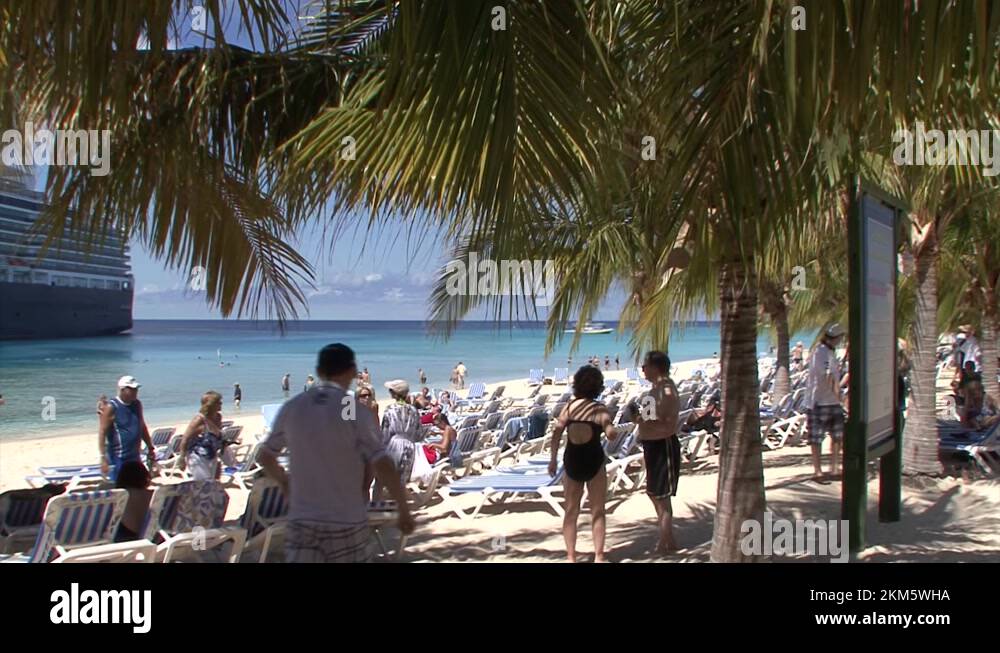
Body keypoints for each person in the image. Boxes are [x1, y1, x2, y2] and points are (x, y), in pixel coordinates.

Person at [258, 344, 414, 563]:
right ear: (352, 371)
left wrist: (284, 482)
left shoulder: (294, 405)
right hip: (346, 520)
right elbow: (382, 462)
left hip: (303, 522)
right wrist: (403, 508)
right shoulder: (352, 409)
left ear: (320, 372)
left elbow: (264, 456)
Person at [548, 366, 617, 563]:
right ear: (598, 386)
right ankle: (599, 556)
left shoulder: (569, 407)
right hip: (594, 460)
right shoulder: (598, 409)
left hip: (573, 460)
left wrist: (553, 459)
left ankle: (571, 556)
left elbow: (556, 434)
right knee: (598, 510)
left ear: (577, 384)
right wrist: (612, 432)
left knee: (571, 511)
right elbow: (610, 431)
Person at [634, 351, 681, 554]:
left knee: (661, 495)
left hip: (663, 445)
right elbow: (648, 419)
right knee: (654, 493)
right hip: (651, 445)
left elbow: (664, 422)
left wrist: (639, 417)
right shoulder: (655, 391)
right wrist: (639, 417)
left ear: (655, 367)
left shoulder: (666, 391)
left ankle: (665, 541)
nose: (643, 369)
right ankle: (668, 539)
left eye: (645, 365)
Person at [98, 376, 156, 483]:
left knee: (138, 485)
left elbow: (142, 426)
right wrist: (102, 457)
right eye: (132, 389)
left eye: (136, 389)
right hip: (119, 456)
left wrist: (150, 447)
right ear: (122, 390)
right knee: (121, 486)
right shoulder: (112, 407)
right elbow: (102, 432)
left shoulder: (137, 404)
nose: (135, 392)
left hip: (135, 454)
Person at [806, 324, 846, 481]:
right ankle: (818, 471)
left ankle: (835, 467)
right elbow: (828, 377)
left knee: (837, 436)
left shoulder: (831, 352)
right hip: (819, 402)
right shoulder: (820, 352)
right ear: (834, 338)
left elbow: (834, 376)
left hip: (832, 401)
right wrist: (840, 398)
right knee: (816, 438)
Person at [381, 379, 423, 484]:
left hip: (394, 445)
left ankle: (377, 499)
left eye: (391, 390)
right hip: (410, 445)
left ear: (394, 393)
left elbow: (385, 433)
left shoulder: (390, 409)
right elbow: (419, 434)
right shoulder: (414, 410)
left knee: (381, 477)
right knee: (402, 478)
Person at [178, 391, 226, 481]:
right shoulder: (199, 420)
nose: (221, 404)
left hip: (212, 456)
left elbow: (217, 437)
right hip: (197, 457)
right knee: (203, 484)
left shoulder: (218, 417)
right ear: (211, 404)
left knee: (212, 483)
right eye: (218, 402)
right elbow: (185, 439)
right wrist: (181, 458)